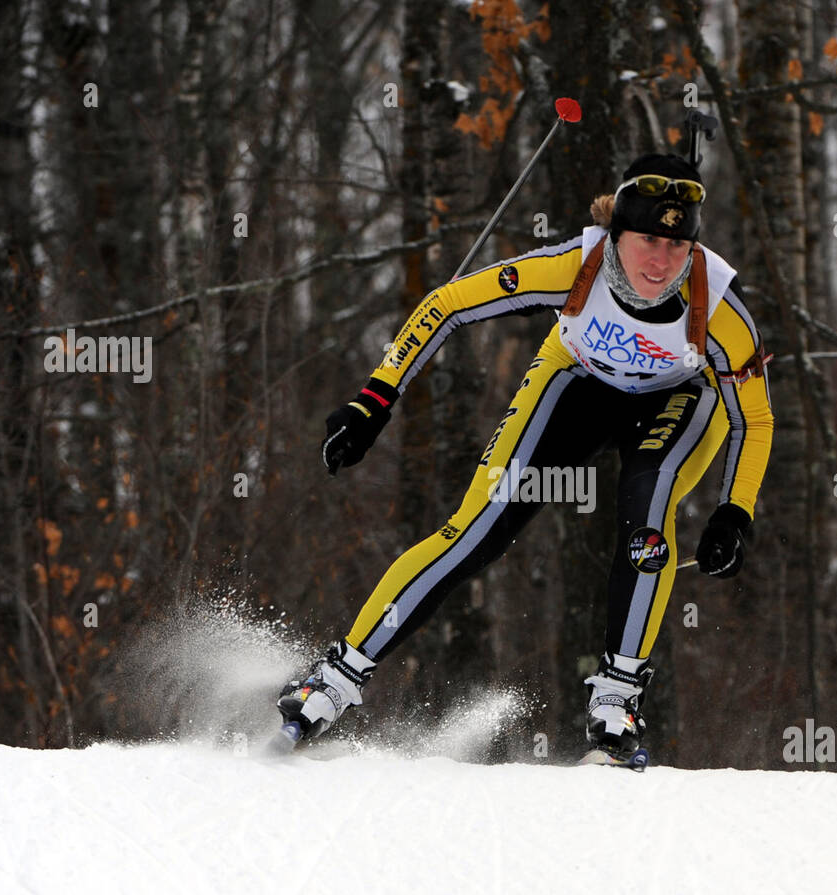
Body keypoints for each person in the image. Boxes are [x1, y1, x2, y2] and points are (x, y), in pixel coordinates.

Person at [276, 153, 774, 765]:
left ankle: (617, 701)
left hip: (681, 399)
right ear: (617, 231)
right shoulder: (574, 266)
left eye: (677, 245)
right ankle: (335, 677)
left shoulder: (722, 308)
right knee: (475, 530)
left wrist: (735, 512)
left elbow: (754, 417)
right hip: (577, 382)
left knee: (647, 518)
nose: (661, 260)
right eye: (647, 239)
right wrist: (372, 402)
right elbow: (446, 304)